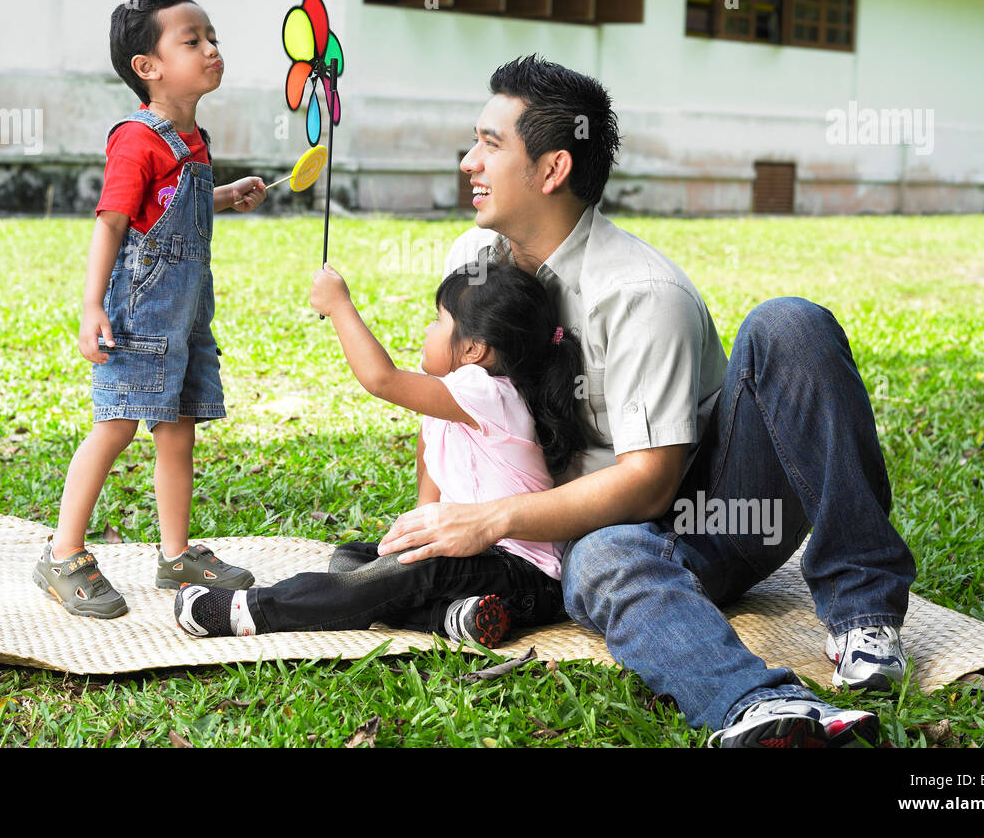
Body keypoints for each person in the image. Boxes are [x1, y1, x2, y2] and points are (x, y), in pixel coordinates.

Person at [374, 54, 918, 748]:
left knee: (789, 322)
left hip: (716, 511)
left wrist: (492, 518)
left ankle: (863, 614)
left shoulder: (641, 292)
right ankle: (760, 709)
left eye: (490, 143)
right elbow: (454, 397)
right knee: (600, 558)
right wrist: (434, 514)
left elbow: (650, 481)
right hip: (601, 536)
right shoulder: (476, 257)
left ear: (551, 170)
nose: (467, 161)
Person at [174, 260, 588, 645]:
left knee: (403, 573)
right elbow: (432, 481)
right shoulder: (449, 405)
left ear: (475, 350)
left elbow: (381, 379)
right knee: (352, 559)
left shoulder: (487, 392)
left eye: (439, 320)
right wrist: (411, 536)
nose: (427, 328)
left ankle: (256, 610)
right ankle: (451, 617)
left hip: (523, 575)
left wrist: (340, 306)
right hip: (472, 559)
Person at [32, 0, 268, 619]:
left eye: (212, 37)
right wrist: (91, 306)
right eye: (192, 41)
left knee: (179, 427)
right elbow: (111, 223)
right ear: (149, 67)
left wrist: (224, 194)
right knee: (116, 424)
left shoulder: (192, 138)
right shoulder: (136, 141)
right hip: (137, 312)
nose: (212, 49)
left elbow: (168, 207)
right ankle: (62, 553)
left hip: (187, 316)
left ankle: (175, 555)